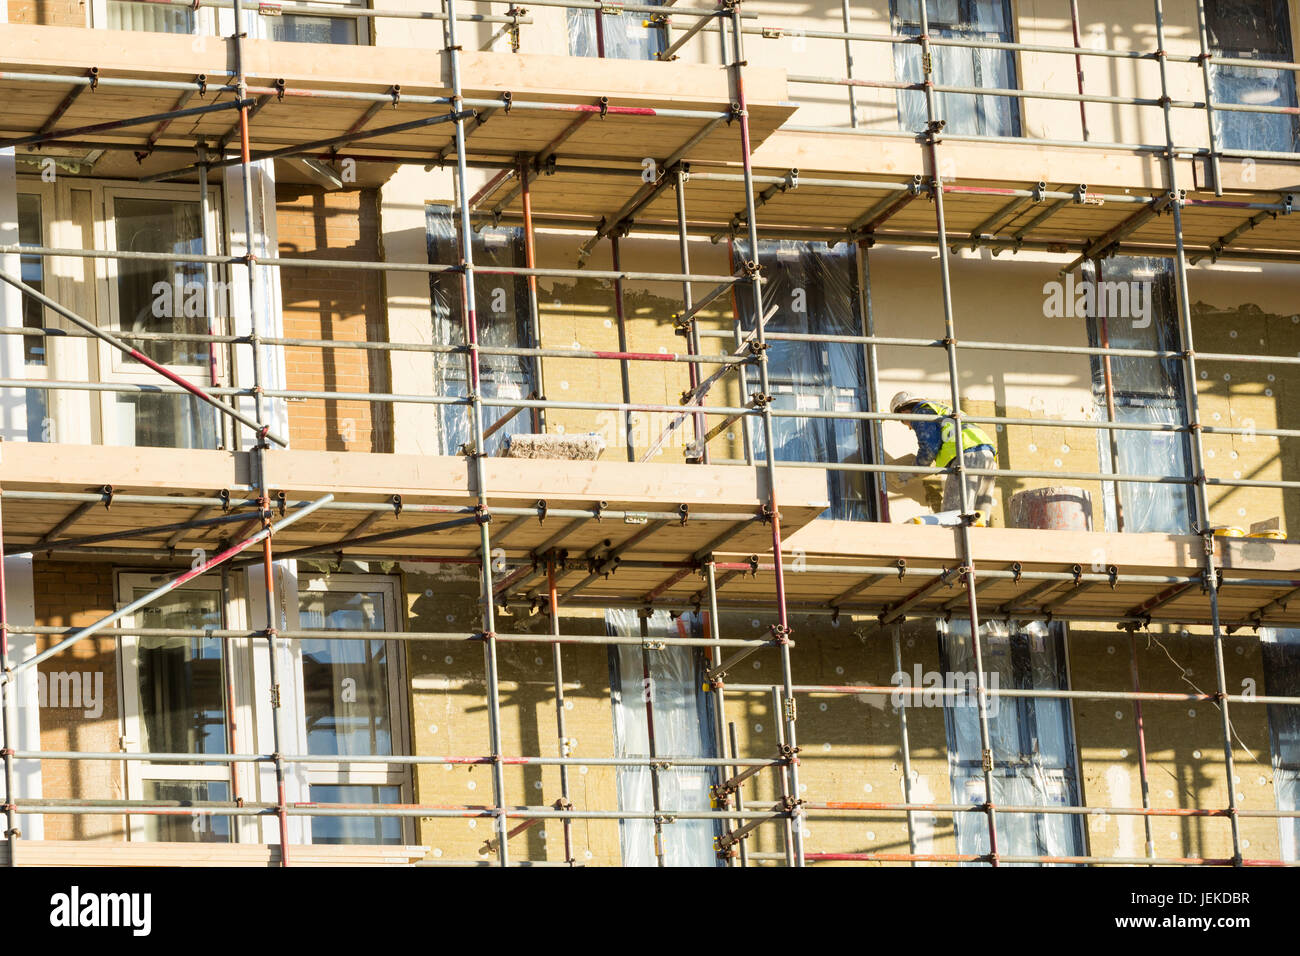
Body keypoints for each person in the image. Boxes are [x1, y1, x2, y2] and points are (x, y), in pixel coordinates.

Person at [890, 391, 997, 521]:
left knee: (955, 515)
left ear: (903, 413)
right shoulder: (942, 409)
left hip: (966, 457)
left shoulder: (921, 412)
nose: (910, 428)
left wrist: (916, 470)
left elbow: (929, 446)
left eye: (905, 423)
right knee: (979, 515)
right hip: (987, 456)